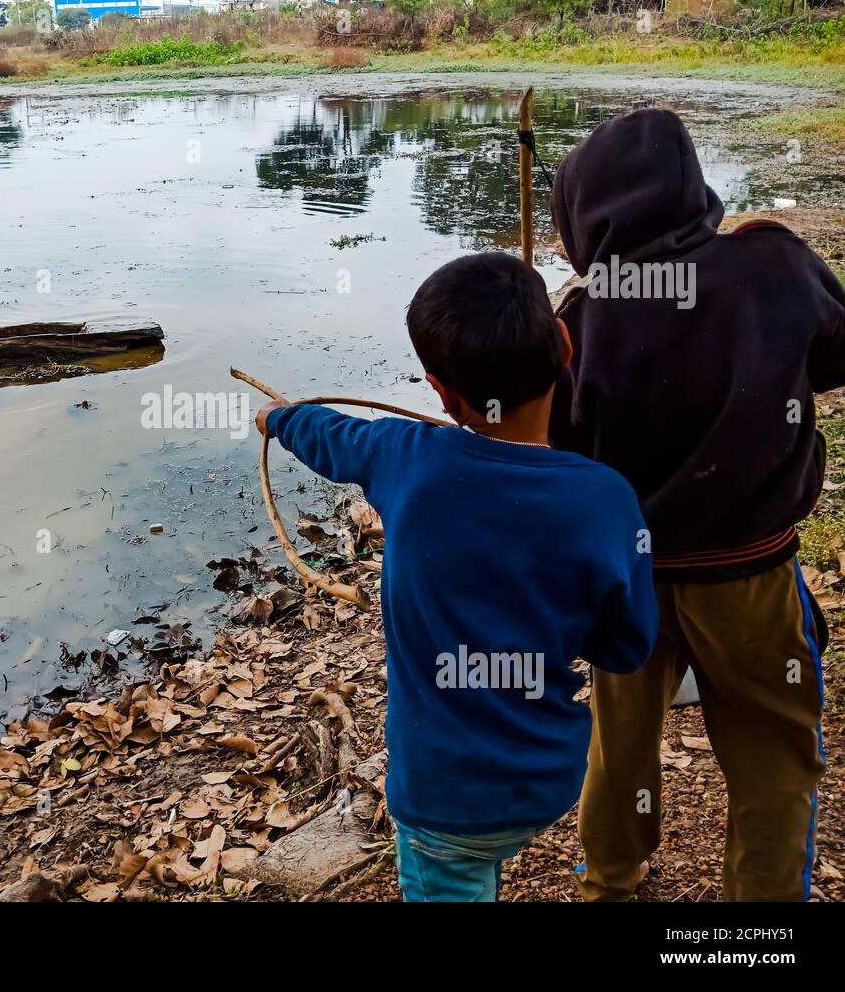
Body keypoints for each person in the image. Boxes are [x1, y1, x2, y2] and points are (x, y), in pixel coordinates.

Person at [255, 251, 658, 901]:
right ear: (564, 344)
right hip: (546, 779)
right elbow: (627, 645)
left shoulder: (403, 457)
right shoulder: (607, 499)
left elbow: (334, 437)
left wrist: (280, 417)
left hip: (443, 798)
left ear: (440, 390)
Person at [549, 107, 844, 902]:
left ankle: (608, 882)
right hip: (749, 576)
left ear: (587, 215)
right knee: (774, 757)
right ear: (688, 188)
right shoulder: (774, 267)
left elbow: (562, 455)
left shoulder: (580, 317)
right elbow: (833, 357)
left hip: (630, 578)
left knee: (619, 742)